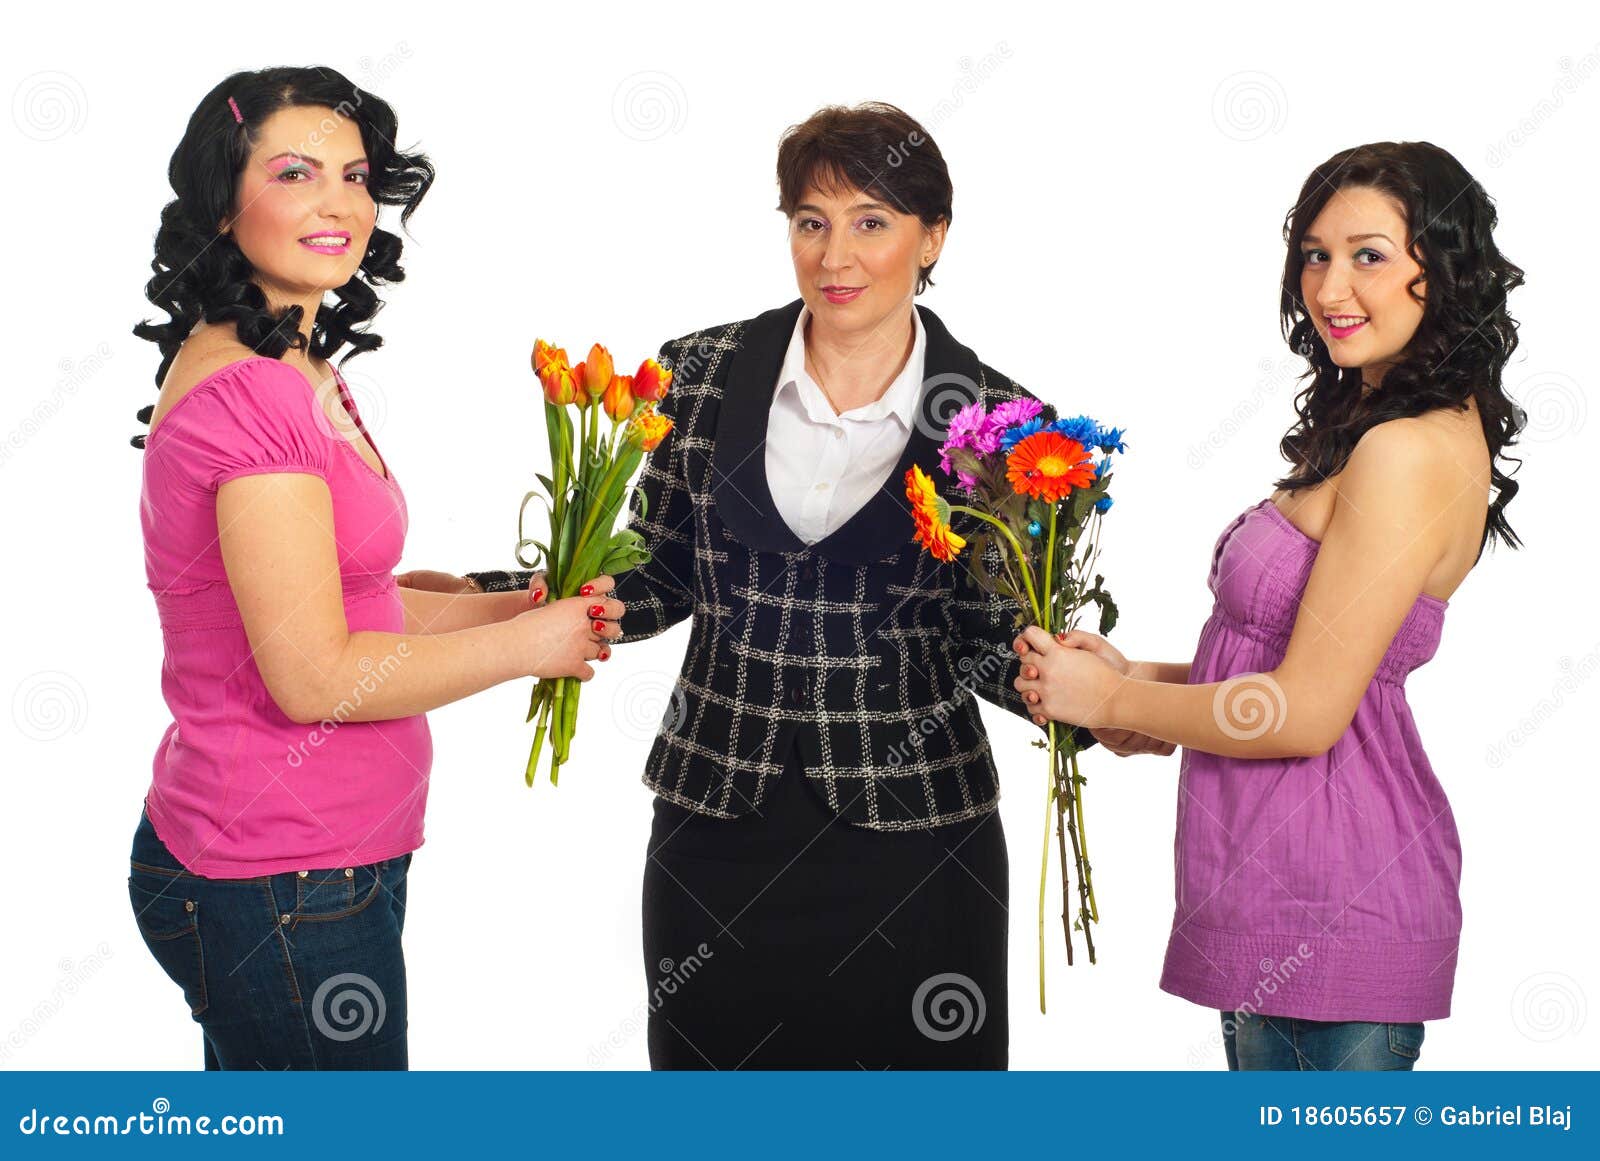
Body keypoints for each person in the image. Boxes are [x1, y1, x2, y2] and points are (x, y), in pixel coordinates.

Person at [443, 102, 1097, 1068]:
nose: (836, 255)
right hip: (717, 824)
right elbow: (656, 572)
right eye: (810, 221)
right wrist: (482, 594)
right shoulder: (702, 376)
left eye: (871, 222)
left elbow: (985, 634)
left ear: (933, 237)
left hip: (915, 837)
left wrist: (1082, 696)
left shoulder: (999, 419)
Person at [126, 67, 621, 1070]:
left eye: (355, 176)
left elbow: (344, 606)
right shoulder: (250, 402)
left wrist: (501, 609)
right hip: (281, 876)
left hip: (315, 865)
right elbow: (313, 678)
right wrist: (528, 648)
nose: (339, 202)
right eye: (297, 173)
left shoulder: (297, 369)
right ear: (225, 202)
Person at [1013, 141, 1525, 1070]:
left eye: (1369, 253)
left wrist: (1114, 706)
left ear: (1440, 271)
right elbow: (1298, 663)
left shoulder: (1407, 450)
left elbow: (1308, 710)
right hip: (1278, 898)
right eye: (1316, 253)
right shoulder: (1373, 426)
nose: (1332, 285)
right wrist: (1142, 682)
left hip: (1334, 906)